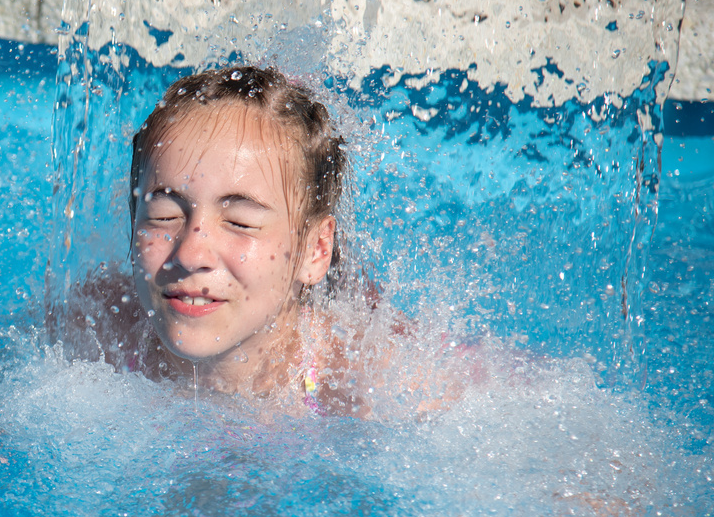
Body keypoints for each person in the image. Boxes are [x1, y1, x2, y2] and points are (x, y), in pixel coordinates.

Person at [62, 65, 461, 418]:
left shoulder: (365, 388)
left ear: (316, 250)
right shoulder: (92, 336)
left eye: (239, 222)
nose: (190, 254)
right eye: (165, 216)